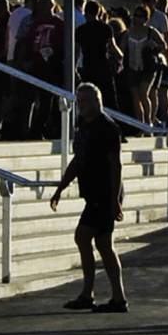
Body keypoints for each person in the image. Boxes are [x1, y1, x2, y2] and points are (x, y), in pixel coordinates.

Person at [52, 83, 128, 312]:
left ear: (97, 101)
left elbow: (116, 166)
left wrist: (115, 199)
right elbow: (78, 160)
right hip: (93, 193)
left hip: (105, 194)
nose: (82, 106)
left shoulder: (107, 128)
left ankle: (88, 293)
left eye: (86, 101)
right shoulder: (84, 126)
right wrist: (61, 187)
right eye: (80, 101)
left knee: (82, 236)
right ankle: (118, 298)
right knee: (104, 245)